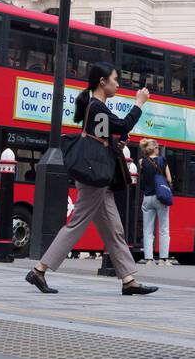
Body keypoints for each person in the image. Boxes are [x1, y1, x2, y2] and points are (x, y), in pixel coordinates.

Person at [27, 62, 157, 295]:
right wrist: (139, 103)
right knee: (76, 225)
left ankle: (128, 280)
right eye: (115, 79)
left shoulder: (97, 108)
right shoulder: (96, 107)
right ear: (102, 82)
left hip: (99, 177)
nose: (118, 84)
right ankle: (39, 270)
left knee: (114, 229)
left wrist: (115, 142)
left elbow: (105, 136)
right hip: (94, 178)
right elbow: (122, 124)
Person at [138, 138, 174, 266]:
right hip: (160, 198)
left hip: (147, 198)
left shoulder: (142, 162)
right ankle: (163, 259)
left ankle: (149, 259)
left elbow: (141, 181)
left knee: (147, 230)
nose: (159, 150)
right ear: (154, 149)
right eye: (158, 148)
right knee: (164, 229)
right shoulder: (162, 161)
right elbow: (169, 179)